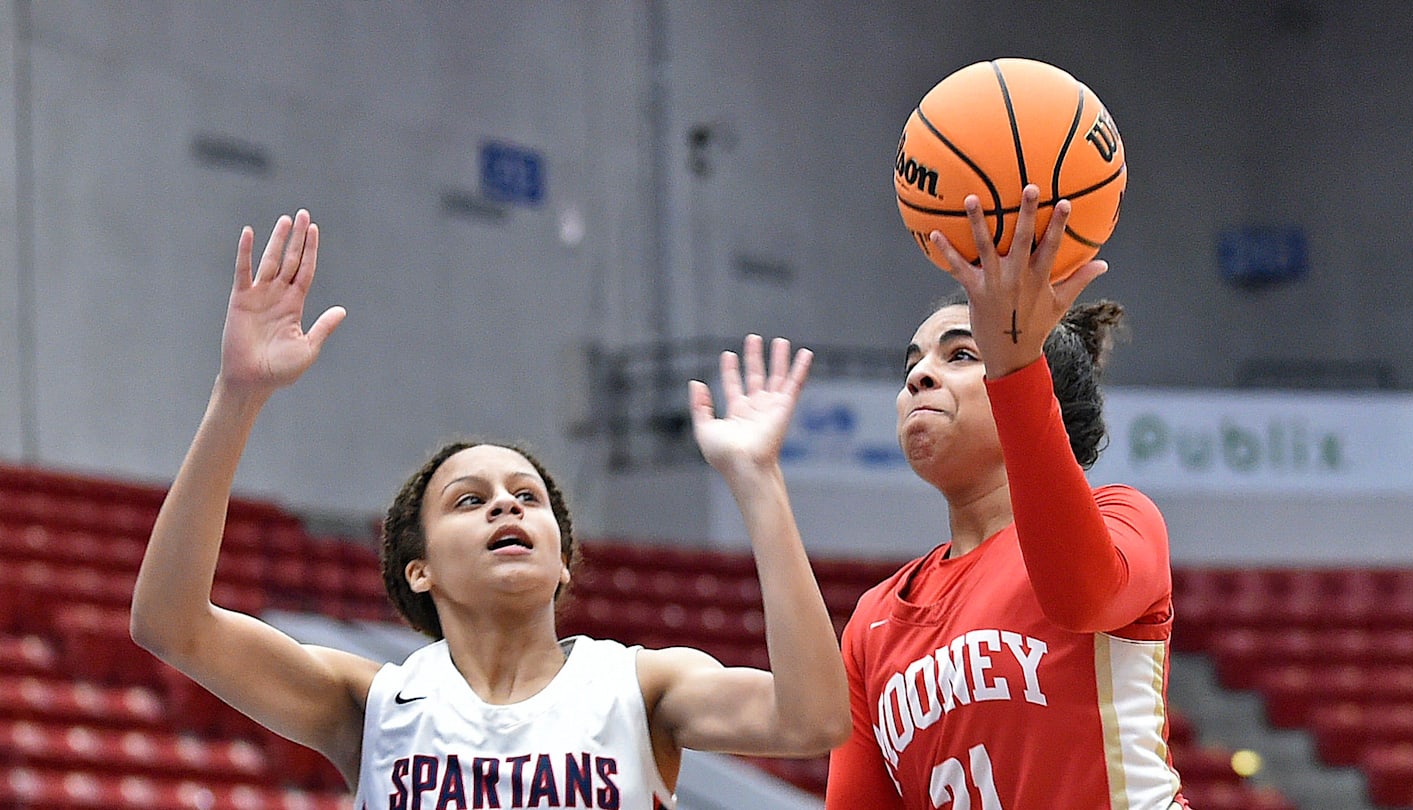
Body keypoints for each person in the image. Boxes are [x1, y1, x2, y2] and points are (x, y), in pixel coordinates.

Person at [130, 209, 849, 809]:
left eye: (527, 497)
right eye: (469, 500)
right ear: (419, 570)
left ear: (563, 562)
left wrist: (757, 478)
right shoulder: (371, 703)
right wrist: (239, 395)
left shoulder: (640, 686)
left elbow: (814, 717)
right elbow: (169, 623)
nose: (506, 503)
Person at [825, 186, 1187, 809]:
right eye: (911, 364)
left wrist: (1015, 360)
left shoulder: (1124, 517)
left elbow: (1082, 594)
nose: (919, 375)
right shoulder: (873, 623)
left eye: (963, 353)